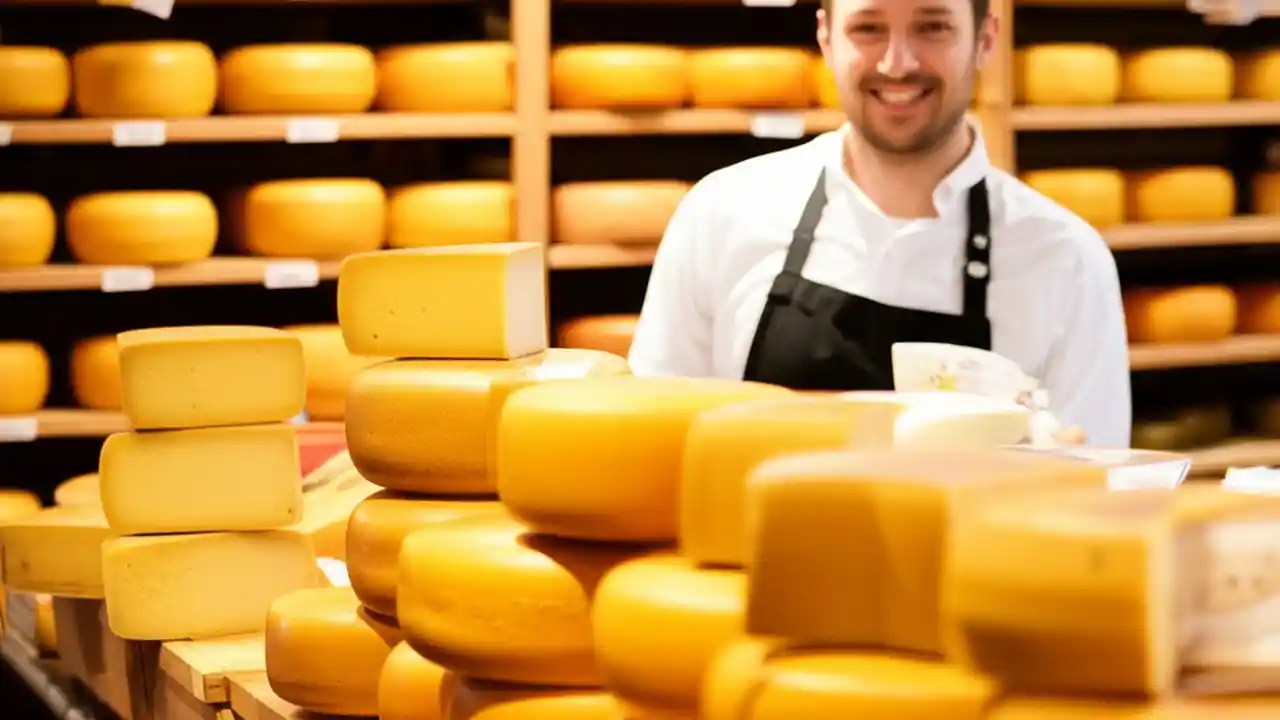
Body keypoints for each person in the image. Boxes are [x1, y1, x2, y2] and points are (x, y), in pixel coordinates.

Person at [627, 0, 1131, 447]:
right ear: (826, 39)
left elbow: (1096, 503)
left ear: (985, 40)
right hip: (755, 553)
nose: (897, 63)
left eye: (931, 27)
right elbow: (654, 439)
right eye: (868, 28)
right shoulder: (723, 212)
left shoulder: (1067, 260)